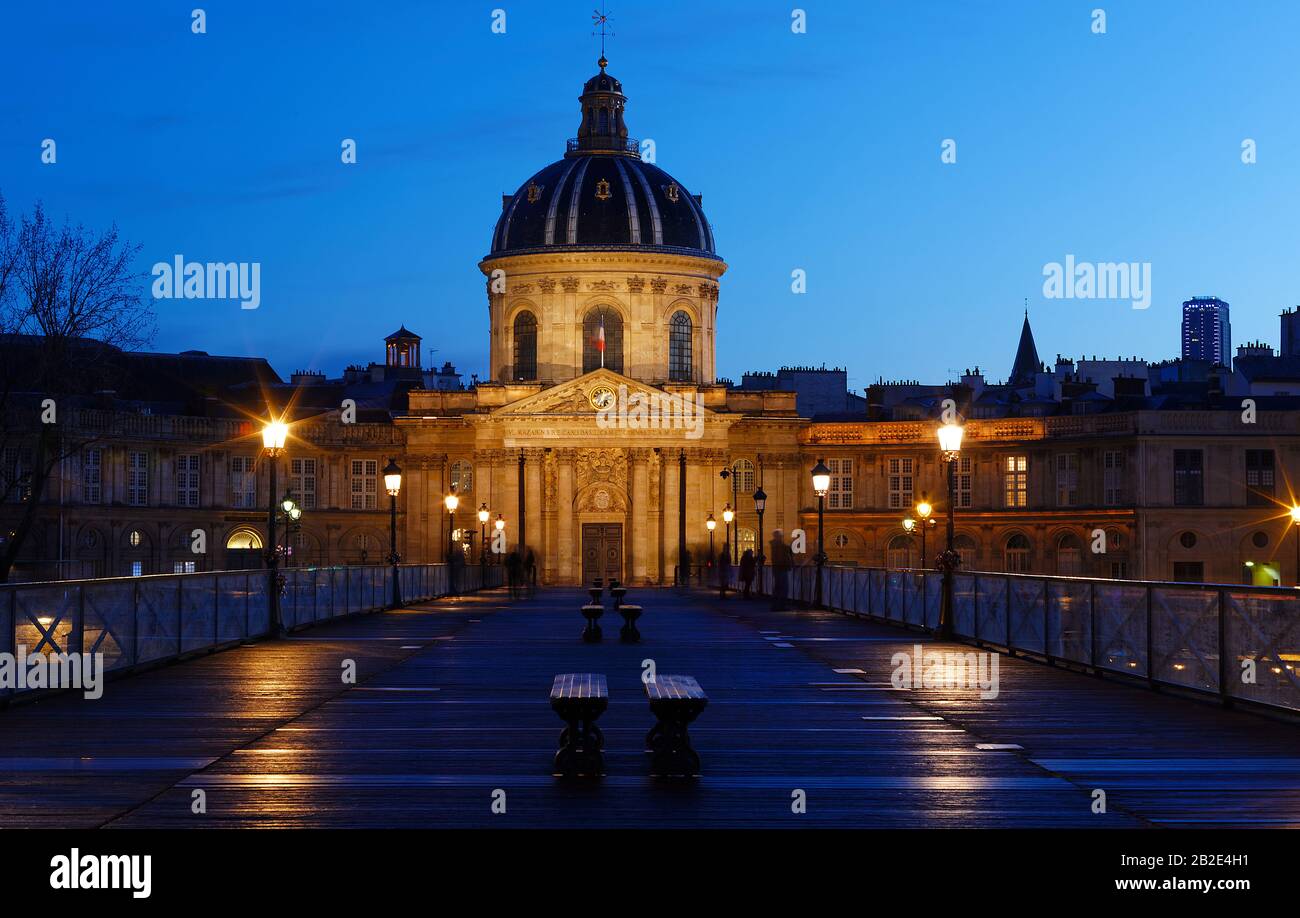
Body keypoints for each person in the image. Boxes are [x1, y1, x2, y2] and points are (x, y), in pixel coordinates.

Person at [770, 529, 791, 611]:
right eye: (781, 536)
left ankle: (776, 605)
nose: (782, 537)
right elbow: (782, 556)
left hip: (778, 568)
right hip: (781, 568)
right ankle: (780, 606)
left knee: (778, 588)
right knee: (783, 588)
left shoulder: (775, 545)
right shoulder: (778, 545)